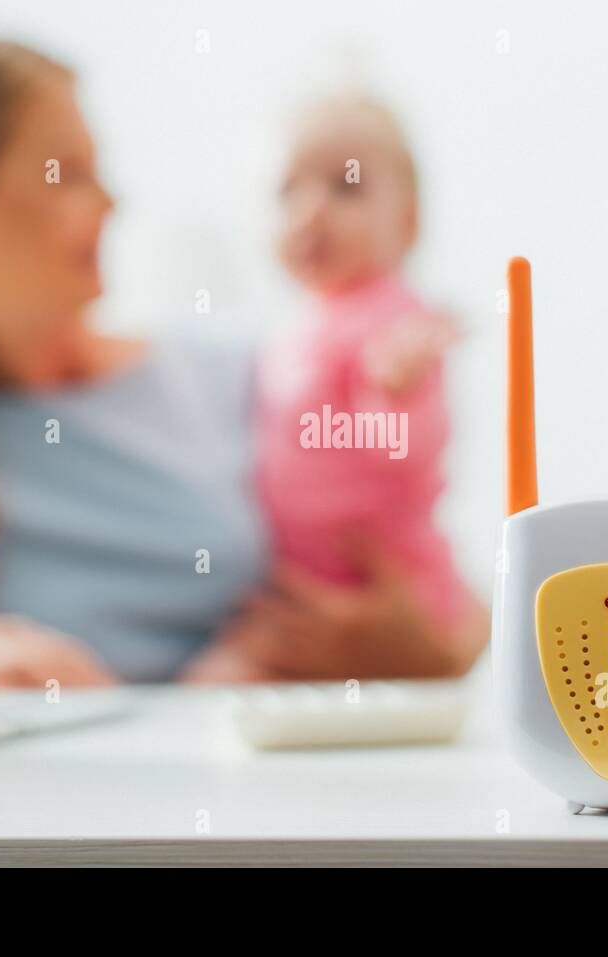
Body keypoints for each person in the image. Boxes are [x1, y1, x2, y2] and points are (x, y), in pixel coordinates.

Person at [0, 34, 489, 687]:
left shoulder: (250, 373)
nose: (112, 202)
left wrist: (423, 653)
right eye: (67, 174)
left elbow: (452, 597)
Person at [183, 95, 466, 681]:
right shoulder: (282, 331)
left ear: (407, 223)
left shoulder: (391, 321)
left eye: (347, 187)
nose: (313, 210)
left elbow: (410, 450)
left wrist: (395, 394)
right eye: (289, 191)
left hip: (386, 589)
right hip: (300, 589)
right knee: (214, 683)